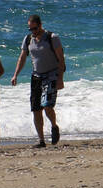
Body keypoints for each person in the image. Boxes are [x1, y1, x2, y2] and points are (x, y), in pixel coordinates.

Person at [10, 14, 65, 148]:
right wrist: (15, 74)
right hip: (36, 77)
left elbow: (61, 59)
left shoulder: (52, 38)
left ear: (40, 25)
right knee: (36, 109)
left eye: (35, 29)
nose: (33, 32)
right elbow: (22, 58)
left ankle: (54, 126)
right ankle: (41, 140)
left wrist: (60, 79)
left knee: (47, 105)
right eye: (30, 29)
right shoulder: (28, 39)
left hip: (51, 75)